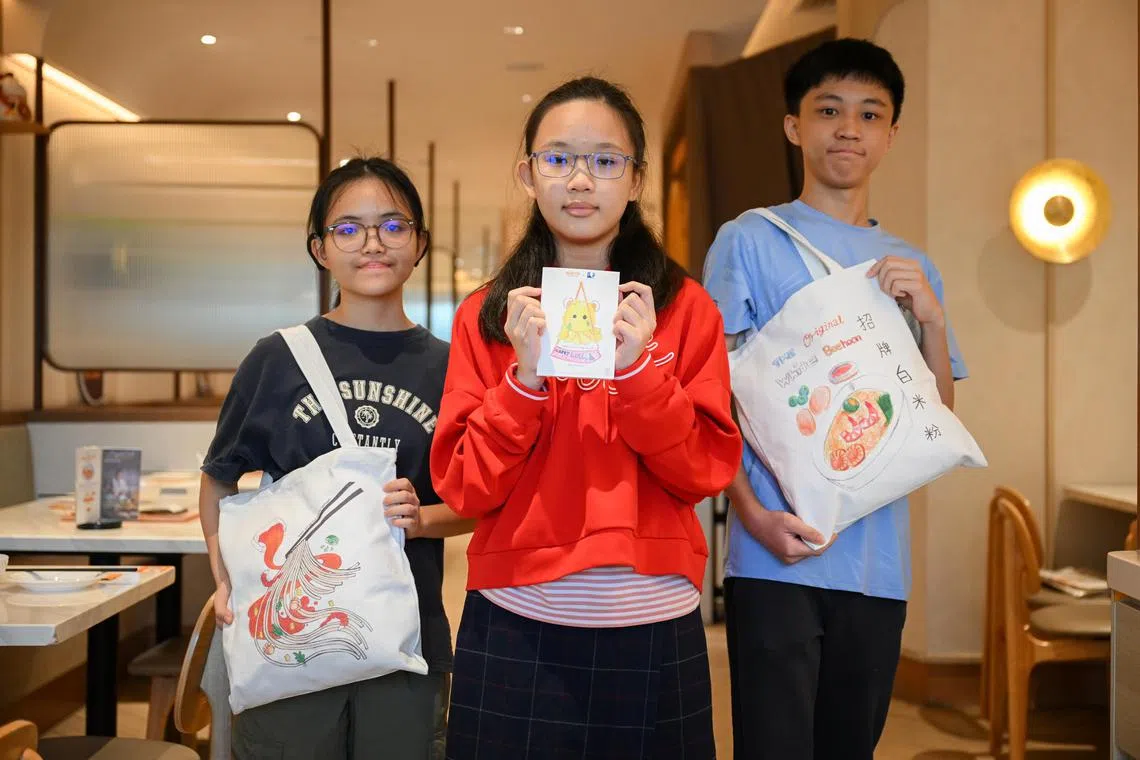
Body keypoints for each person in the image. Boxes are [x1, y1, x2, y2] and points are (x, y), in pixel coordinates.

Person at [430, 76, 741, 759]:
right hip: (516, 616)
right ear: (528, 175)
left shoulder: (684, 308)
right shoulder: (488, 315)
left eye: (604, 160)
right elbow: (466, 488)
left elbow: (703, 471)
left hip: (654, 615)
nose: (580, 180)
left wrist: (638, 373)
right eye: (558, 158)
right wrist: (523, 382)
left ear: (636, 180)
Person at [702, 38, 969, 760]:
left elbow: (937, 421)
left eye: (869, 114)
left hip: (878, 568)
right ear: (794, 126)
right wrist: (751, 517)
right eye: (829, 110)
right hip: (776, 554)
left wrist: (932, 321)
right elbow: (711, 398)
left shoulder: (914, 265)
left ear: (890, 135)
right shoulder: (748, 240)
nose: (849, 129)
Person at [198, 156, 473, 759]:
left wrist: (422, 519)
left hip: (407, 635)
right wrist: (224, 579)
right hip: (287, 633)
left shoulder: (452, 366)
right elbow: (218, 480)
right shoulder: (276, 358)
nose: (372, 243)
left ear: (420, 243)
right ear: (320, 249)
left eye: (393, 225)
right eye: (348, 228)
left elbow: (479, 501)